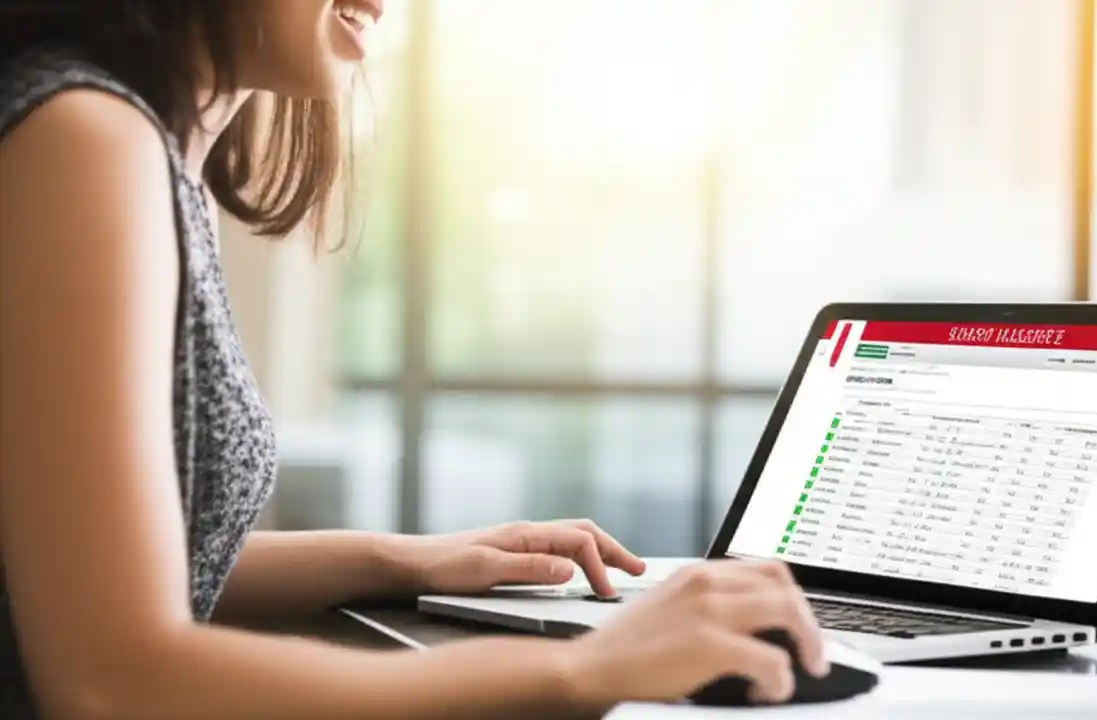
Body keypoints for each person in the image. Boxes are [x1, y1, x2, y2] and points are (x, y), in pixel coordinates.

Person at [0, 1, 827, 717]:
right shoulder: (83, 136)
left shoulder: (144, 151)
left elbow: (95, 562)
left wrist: (401, 558)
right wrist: (584, 669)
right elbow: (110, 679)